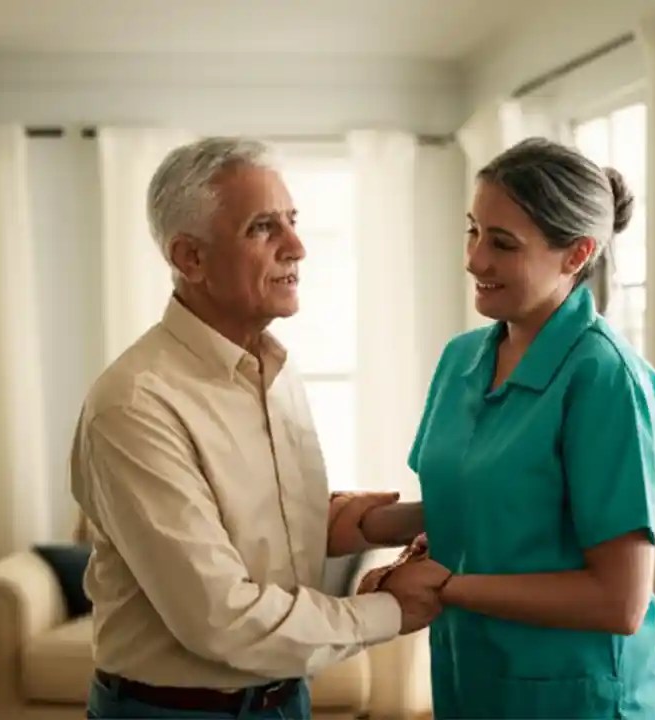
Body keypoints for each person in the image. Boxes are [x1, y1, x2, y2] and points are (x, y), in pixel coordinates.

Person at [69, 137, 445, 720]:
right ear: (190, 257)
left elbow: (263, 522)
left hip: (284, 699)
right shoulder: (134, 406)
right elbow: (221, 617)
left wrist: (412, 519)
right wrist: (389, 610)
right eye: (263, 228)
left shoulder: (273, 370)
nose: (297, 247)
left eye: (292, 222)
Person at [358, 137, 655, 719]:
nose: (475, 260)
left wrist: (444, 586)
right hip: (472, 683)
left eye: (502, 243)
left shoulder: (605, 379)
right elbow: (488, 504)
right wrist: (366, 523)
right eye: (473, 231)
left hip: (577, 701)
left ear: (576, 254)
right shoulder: (461, 360)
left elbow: (620, 599)